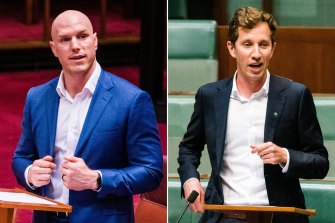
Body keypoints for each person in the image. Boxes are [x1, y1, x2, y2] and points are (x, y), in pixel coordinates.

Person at [177, 6, 329, 223]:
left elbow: (320, 163)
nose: (256, 53)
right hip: (224, 217)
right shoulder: (210, 96)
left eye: (263, 44)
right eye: (247, 44)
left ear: (273, 49)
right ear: (231, 48)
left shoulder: (296, 96)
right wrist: (190, 179)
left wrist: (285, 156)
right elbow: (189, 148)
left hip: (278, 218)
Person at [12, 10, 163, 223]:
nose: (75, 46)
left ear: (95, 41)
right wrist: (30, 173)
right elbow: (21, 157)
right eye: (65, 39)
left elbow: (151, 171)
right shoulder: (37, 97)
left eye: (82, 36)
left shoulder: (131, 100)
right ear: (54, 49)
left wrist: (96, 179)